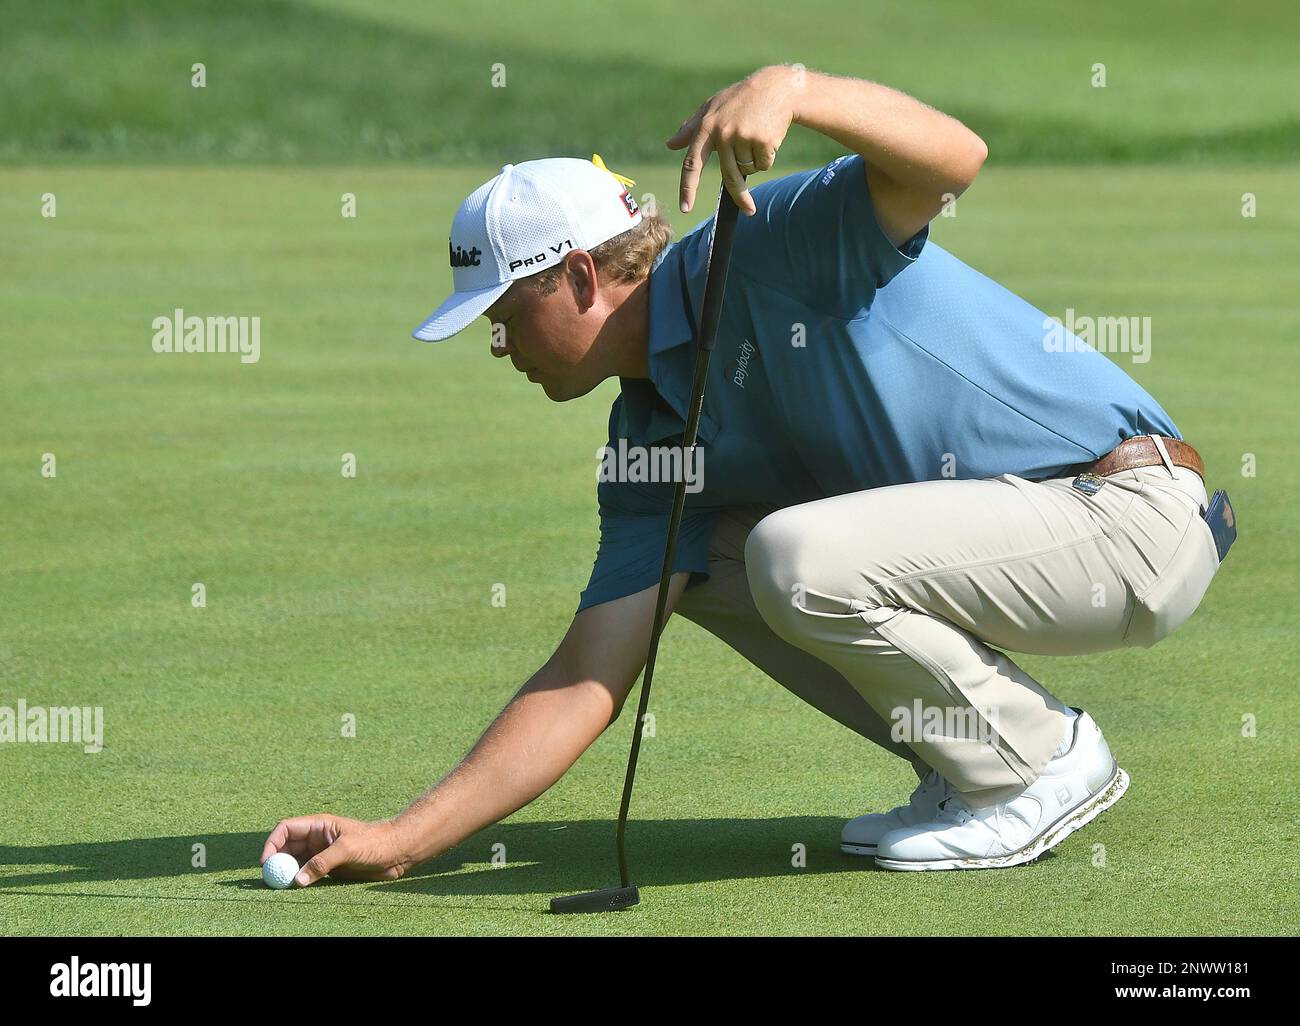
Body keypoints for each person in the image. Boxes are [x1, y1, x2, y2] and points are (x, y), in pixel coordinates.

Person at [261, 65, 1223, 884]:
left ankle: (1039, 764)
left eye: (504, 311)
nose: (499, 342)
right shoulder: (649, 441)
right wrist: (401, 839)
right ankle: (966, 759)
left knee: (790, 551)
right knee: (714, 559)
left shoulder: (765, 237)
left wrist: (799, 89)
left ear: (582, 279)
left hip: (1127, 514)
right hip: (1030, 547)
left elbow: (953, 158)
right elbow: (587, 673)